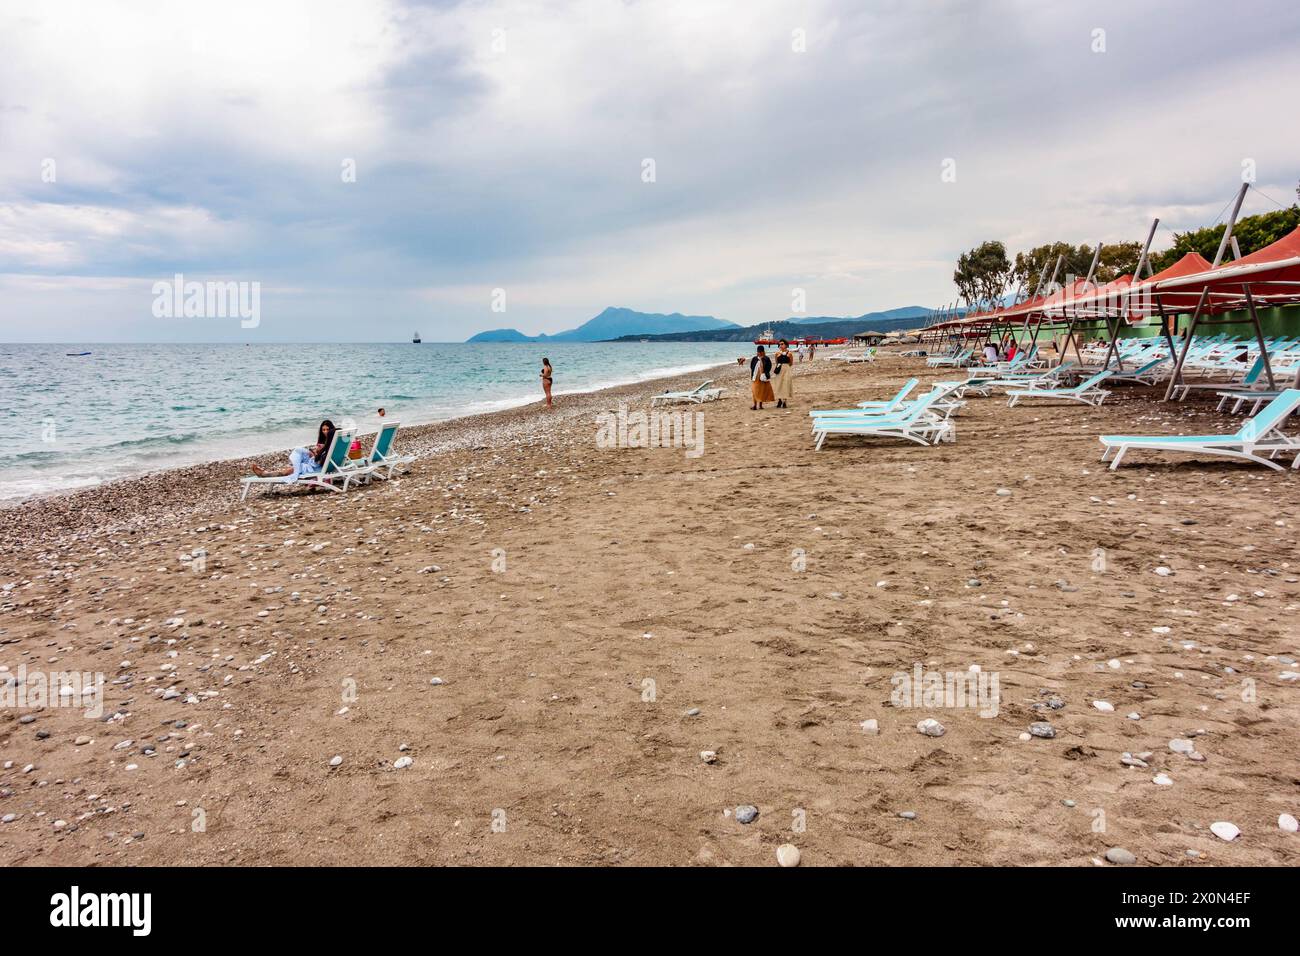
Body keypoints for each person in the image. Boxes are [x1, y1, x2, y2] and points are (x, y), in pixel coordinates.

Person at [251, 420, 337, 480]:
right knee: (300, 452)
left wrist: (317, 454)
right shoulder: (334, 442)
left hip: (319, 468)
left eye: (327, 430)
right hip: (321, 465)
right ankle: (266, 473)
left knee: (291, 470)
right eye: (323, 430)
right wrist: (316, 453)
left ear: (331, 430)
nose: (325, 432)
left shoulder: (329, 444)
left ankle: (264, 474)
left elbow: (321, 461)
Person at [750, 345, 775, 410]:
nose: (759, 353)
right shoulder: (754, 358)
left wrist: (764, 373)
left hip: (763, 376)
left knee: (762, 391)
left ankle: (760, 405)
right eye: (758, 352)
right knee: (754, 390)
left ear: (763, 352)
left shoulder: (766, 359)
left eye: (761, 352)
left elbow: (769, 367)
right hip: (755, 376)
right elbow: (751, 367)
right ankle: (755, 405)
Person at [772, 339, 795, 408]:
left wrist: (785, 366)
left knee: (786, 384)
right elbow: (776, 362)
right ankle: (779, 400)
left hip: (787, 370)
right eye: (780, 344)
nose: (780, 345)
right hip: (779, 370)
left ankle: (784, 401)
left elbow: (791, 363)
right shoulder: (777, 354)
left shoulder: (789, 354)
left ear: (786, 345)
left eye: (782, 344)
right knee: (778, 385)